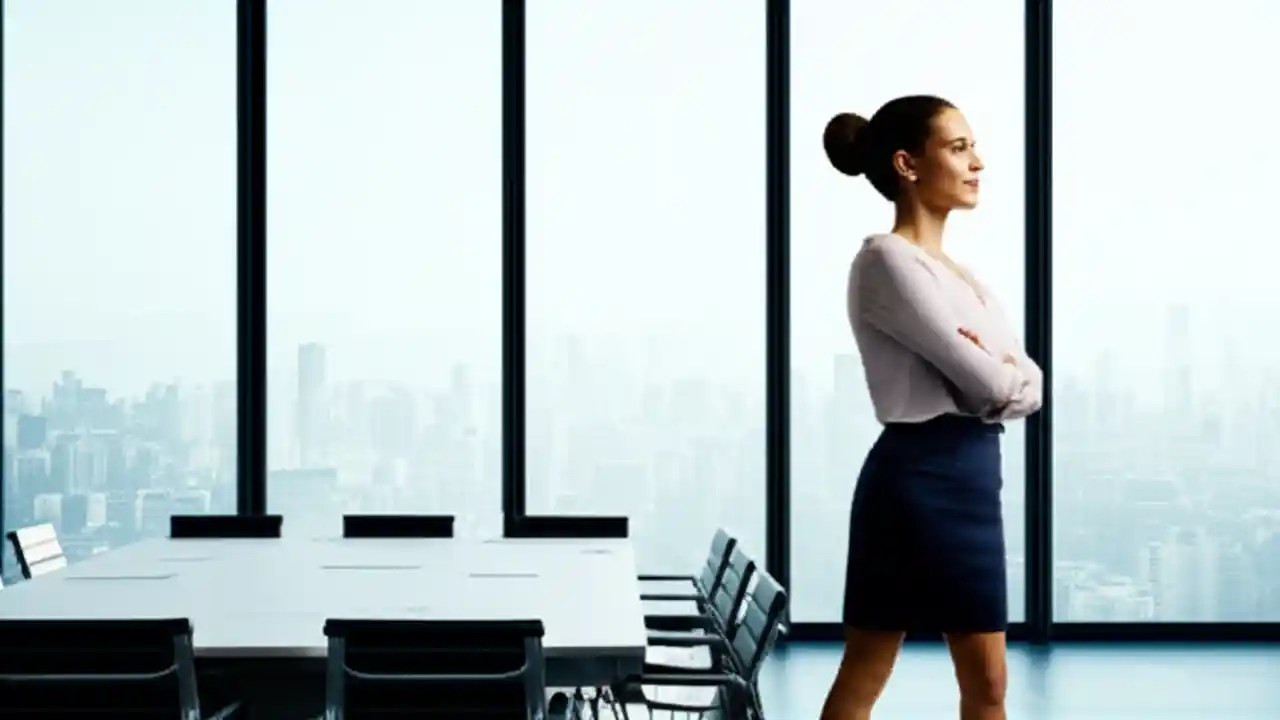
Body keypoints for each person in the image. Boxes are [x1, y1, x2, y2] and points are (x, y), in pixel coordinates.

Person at [816, 95, 1043, 720]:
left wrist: (1000, 375)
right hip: (920, 478)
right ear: (907, 164)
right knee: (873, 668)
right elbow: (994, 387)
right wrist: (998, 373)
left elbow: (1030, 382)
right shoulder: (887, 261)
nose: (979, 163)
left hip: (970, 479)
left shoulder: (960, 276)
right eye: (959, 147)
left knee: (987, 685)